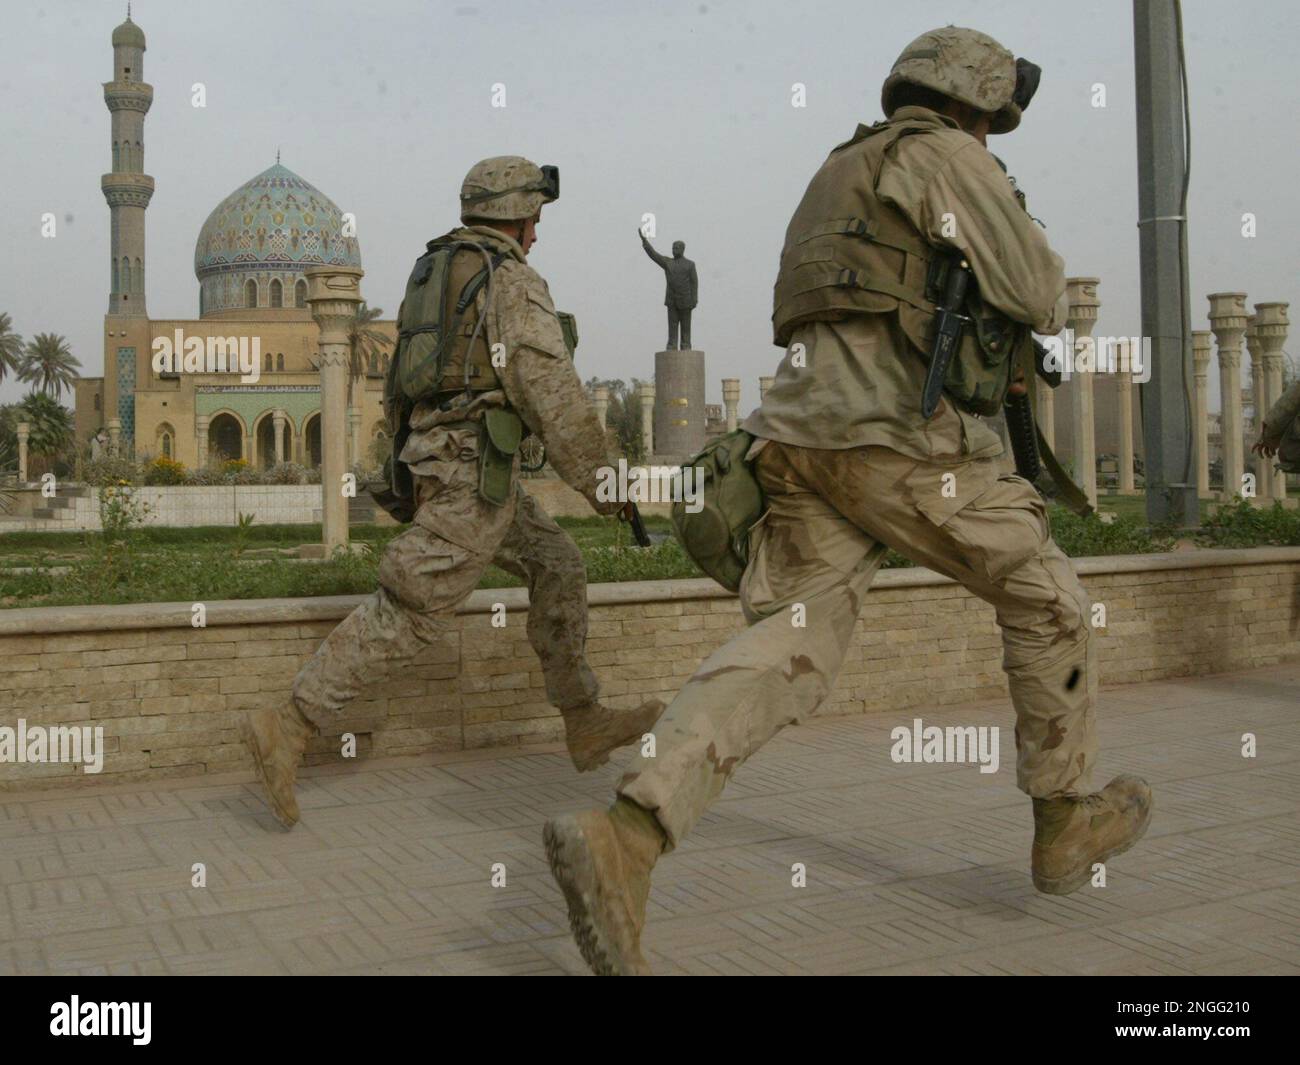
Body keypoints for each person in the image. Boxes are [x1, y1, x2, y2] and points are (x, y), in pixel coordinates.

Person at [545, 28, 1153, 976]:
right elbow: (1040, 292)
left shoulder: (839, 166)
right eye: (992, 121)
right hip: (898, 440)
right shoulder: (945, 157)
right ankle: (1066, 818)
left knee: (792, 644)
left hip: (799, 442)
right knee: (1051, 599)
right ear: (971, 106)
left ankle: (626, 835)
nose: (992, 139)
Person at [241, 156, 664, 829]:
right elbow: (553, 394)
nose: (537, 234)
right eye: (535, 219)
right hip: (472, 477)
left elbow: (404, 384)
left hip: (447, 462)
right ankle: (289, 722)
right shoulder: (510, 281)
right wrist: (606, 483)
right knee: (410, 608)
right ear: (518, 216)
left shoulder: (436, 271)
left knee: (557, 563)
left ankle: (582, 717)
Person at [639, 231, 699, 350]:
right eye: (673, 248)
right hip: (672, 300)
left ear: (682, 249)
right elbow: (654, 255)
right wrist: (645, 242)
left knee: (686, 326)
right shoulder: (668, 262)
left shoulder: (690, 264)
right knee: (672, 325)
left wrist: (694, 299)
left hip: (686, 300)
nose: (674, 250)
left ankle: (686, 345)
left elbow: (694, 282)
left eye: (676, 248)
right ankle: (672, 345)